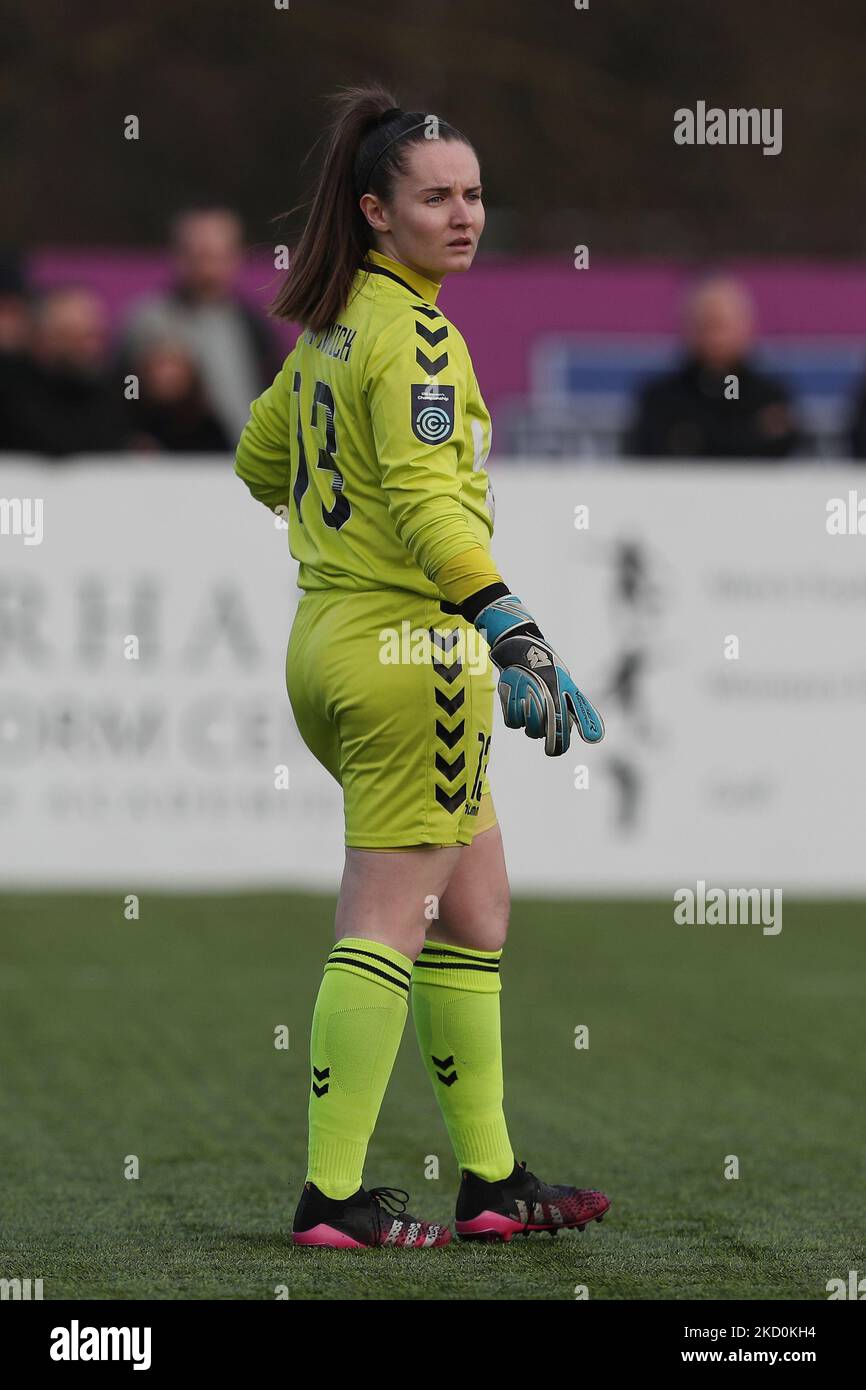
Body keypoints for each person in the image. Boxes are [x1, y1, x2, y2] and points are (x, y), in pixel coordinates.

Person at [235, 84, 609, 1250]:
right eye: (436, 197)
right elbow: (424, 500)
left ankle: (490, 1180)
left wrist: (344, 527)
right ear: (374, 210)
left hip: (331, 642)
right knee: (388, 915)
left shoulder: (334, 320)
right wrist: (509, 624)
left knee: (474, 907)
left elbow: (259, 462)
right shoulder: (416, 334)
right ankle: (331, 1197)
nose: (463, 216)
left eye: (473, 195)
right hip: (414, 656)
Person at [120, 207, 281, 443]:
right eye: (199, 255)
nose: (207, 268)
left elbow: (276, 391)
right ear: (178, 255)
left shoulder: (253, 325)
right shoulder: (148, 321)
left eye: (218, 256)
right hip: (173, 457)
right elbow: (124, 391)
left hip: (244, 454)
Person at [624, 276, 800, 459]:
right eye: (705, 324)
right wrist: (750, 433)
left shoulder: (769, 398)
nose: (714, 336)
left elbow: (780, 449)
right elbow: (654, 449)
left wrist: (695, 438)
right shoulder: (660, 399)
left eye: (720, 324)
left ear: (746, 327)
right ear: (687, 328)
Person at [0, 285, 129, 457]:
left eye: (98, 335)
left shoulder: (123, 385)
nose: (93, 347)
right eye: (81, 336)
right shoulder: (11, 388)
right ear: (47, 338)